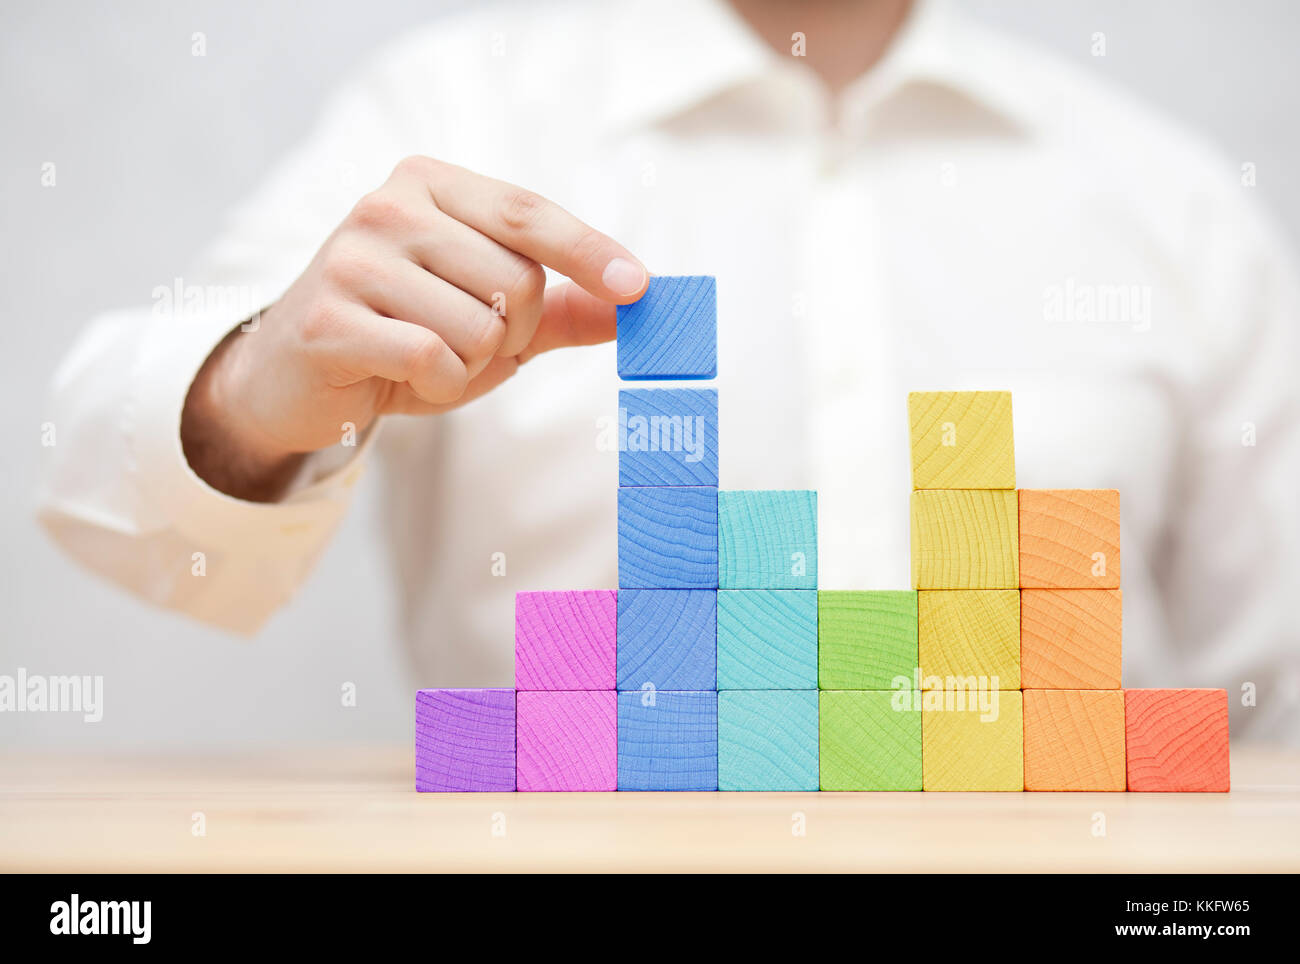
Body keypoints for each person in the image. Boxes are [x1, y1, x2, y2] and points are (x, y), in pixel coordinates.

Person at [39, 0, 1300, 740]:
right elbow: (117, 495)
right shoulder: (454, 106)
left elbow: (1265, 704)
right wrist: (261, 385)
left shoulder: (1171, 198)